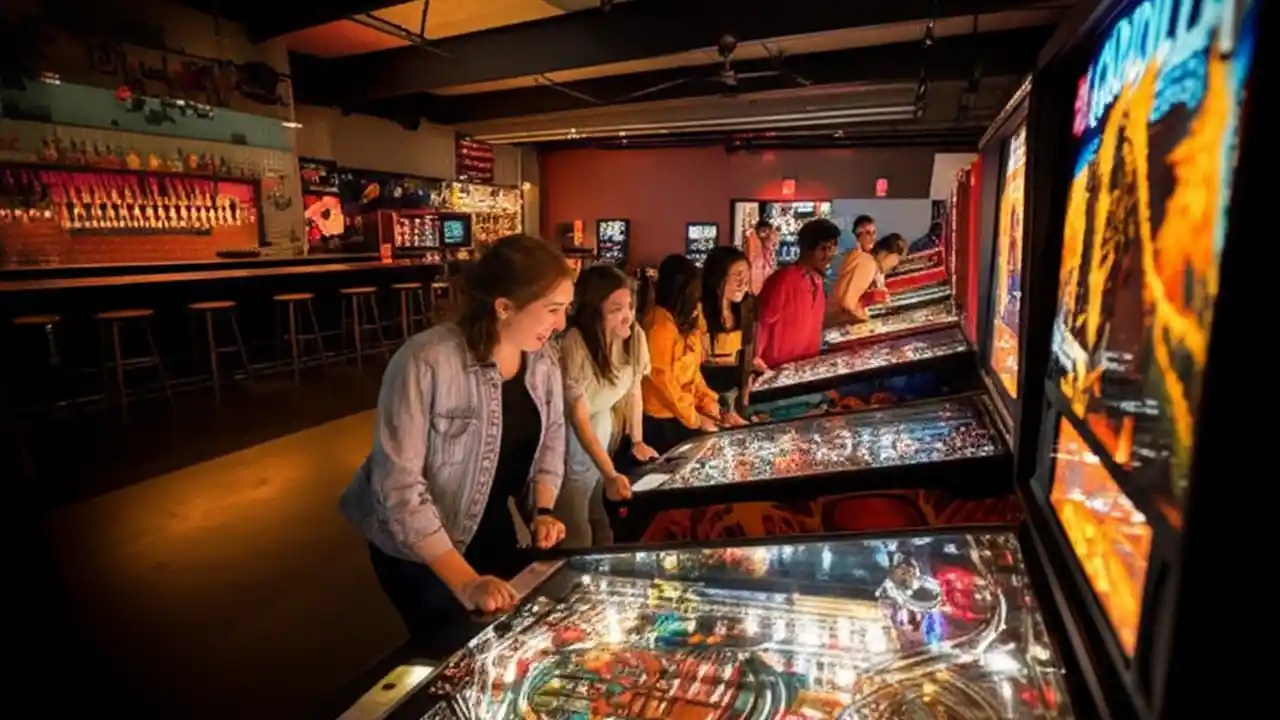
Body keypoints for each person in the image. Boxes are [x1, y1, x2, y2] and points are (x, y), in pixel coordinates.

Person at [339, 234, 572, 643]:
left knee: (514, 639)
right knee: (452, 650)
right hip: (419, 549)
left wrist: (543, 509)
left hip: (490, 526)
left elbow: (551, 438)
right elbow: (398, 488)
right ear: (504, 307)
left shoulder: (542, 360)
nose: (562, 324)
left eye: (566, 309)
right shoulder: (426, 361)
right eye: (553, 310)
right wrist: (466, 582)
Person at [556, 266, 659, 548]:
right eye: (616, 309)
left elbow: (635, 390)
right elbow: (578, 417)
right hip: (573, 442)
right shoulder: (576, 342)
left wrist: (637, 440)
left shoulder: (634, 337)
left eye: (630, 306)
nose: (628, 316)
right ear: (593, 312)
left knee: (600, 523)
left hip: (602, 436)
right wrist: (609, 472)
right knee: (576, 528)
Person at [643, 255, 747, 453]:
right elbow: (665, 384)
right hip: (663, 422)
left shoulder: (685, 319)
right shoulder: (659, 328)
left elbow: (693, 374)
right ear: (681, 292)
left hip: (684, 414)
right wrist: (696, 419)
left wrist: (715, 408)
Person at [755, 219, 840, 368]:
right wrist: (755, 361)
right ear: (807, 248)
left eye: (831, 248)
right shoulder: (783, 280)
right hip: (776, 371)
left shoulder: (818, 282)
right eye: (823, 248)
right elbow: (760, 323)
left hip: (806, 370)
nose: (828, 255)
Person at [699, 246, 761, 402]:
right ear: (717, 277)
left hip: (732, 396)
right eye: (737, 276)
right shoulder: (698, 313)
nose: (743, 284)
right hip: (701, 396)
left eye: (746, 277)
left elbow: (748, 357)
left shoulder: (747, 310)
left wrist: (747, 384)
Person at [828, 233, 909, 325]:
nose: (894, 268)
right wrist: (867, 322)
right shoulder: (868, 263)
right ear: (891, 255)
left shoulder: (867, 263)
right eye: (896, 264)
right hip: (835, 322)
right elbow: (847, 303)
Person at [744, 219, 779, 296]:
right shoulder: (751, 248)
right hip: (751, 292)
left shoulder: (770, 253)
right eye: (764, 231)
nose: (768, 235)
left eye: (769, 232)